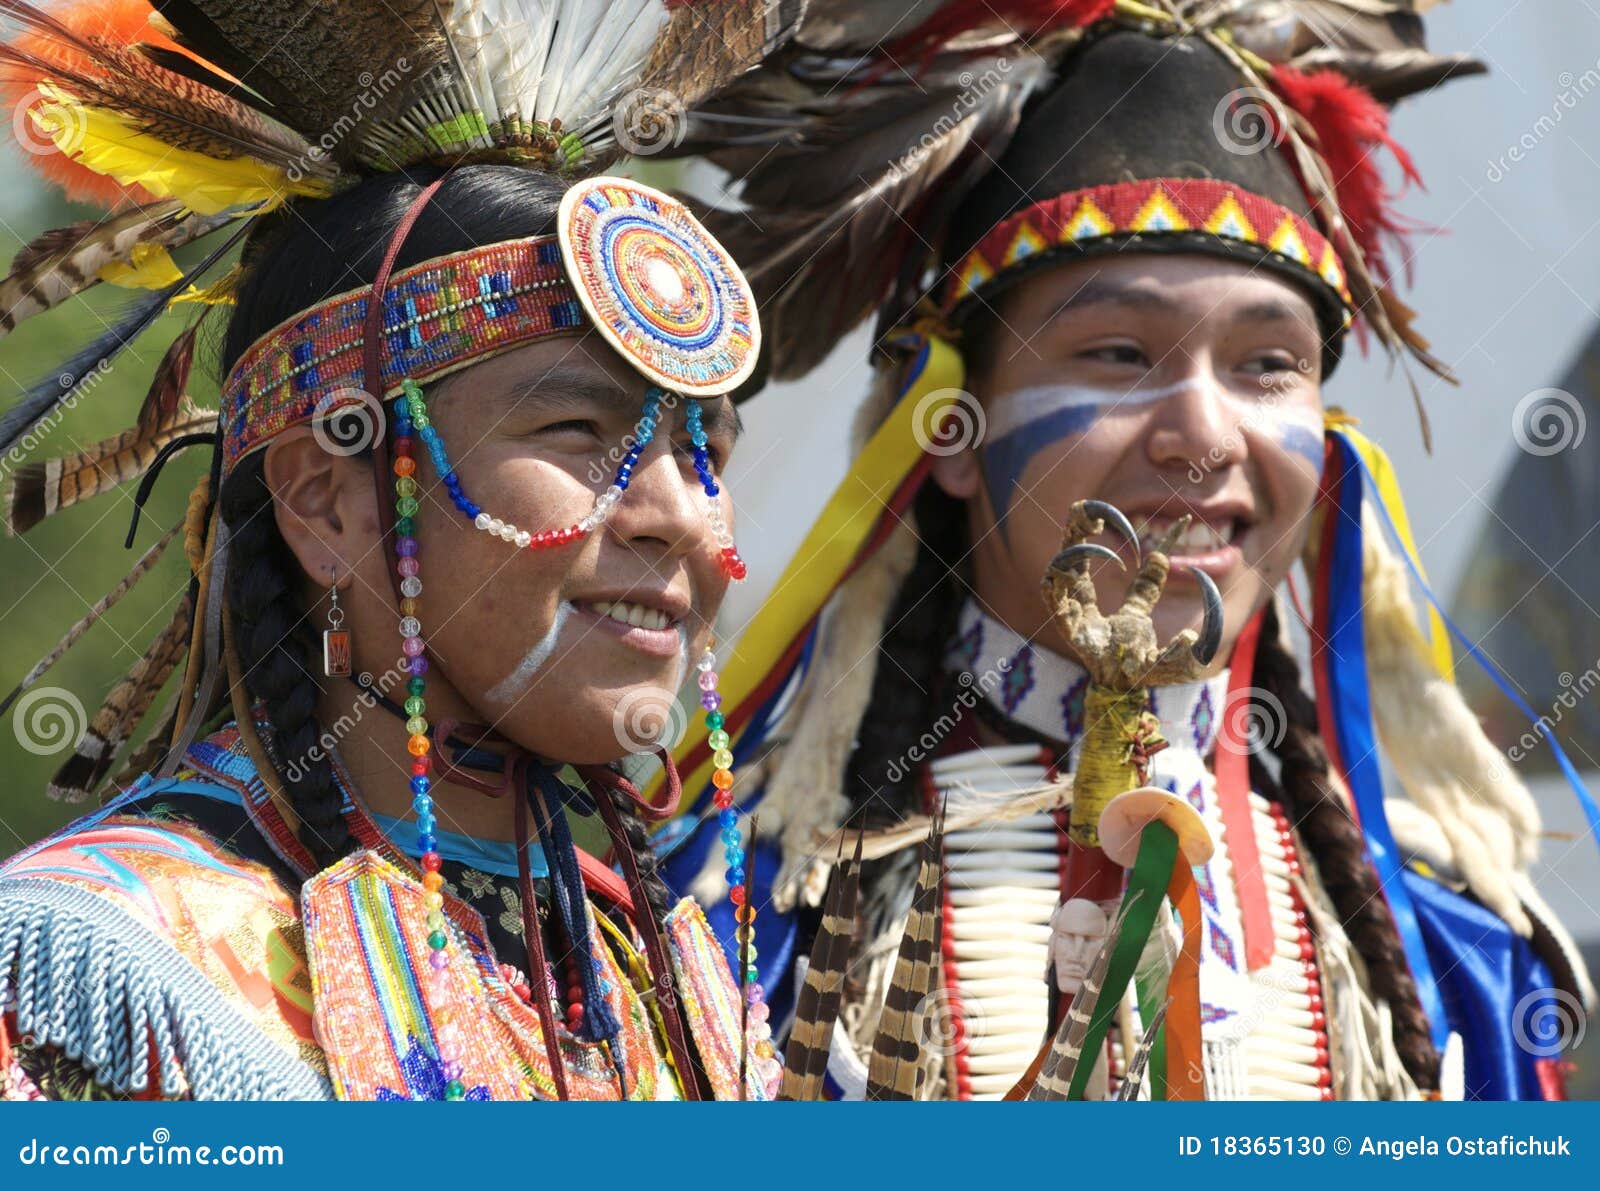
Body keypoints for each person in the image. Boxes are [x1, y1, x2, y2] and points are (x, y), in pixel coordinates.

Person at [660, 2, 1593, 1100]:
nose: (1202, 436)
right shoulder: (724, 941)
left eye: (1266, 366)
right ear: (953, 433)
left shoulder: (1456, 979)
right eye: (1115, 353)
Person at [0, 0, 791, 1101]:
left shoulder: (678, 989)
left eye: (705, 450)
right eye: (578, 431)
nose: (685, 518)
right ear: (326, 504)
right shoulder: (104, 979)